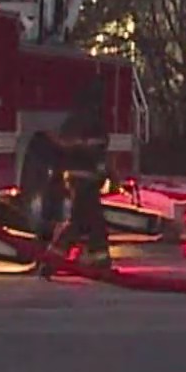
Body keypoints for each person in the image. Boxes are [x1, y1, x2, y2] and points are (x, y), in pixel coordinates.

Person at [46, 82, 112, 270]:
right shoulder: (93, 122)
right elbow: (98, 148)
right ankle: (57, 257)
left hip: (77, 178)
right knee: (88, 219)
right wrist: (104, 173)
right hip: (86, 179)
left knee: (86, 218)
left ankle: (57, 257)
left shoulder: (73, 120)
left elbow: (65, 146)